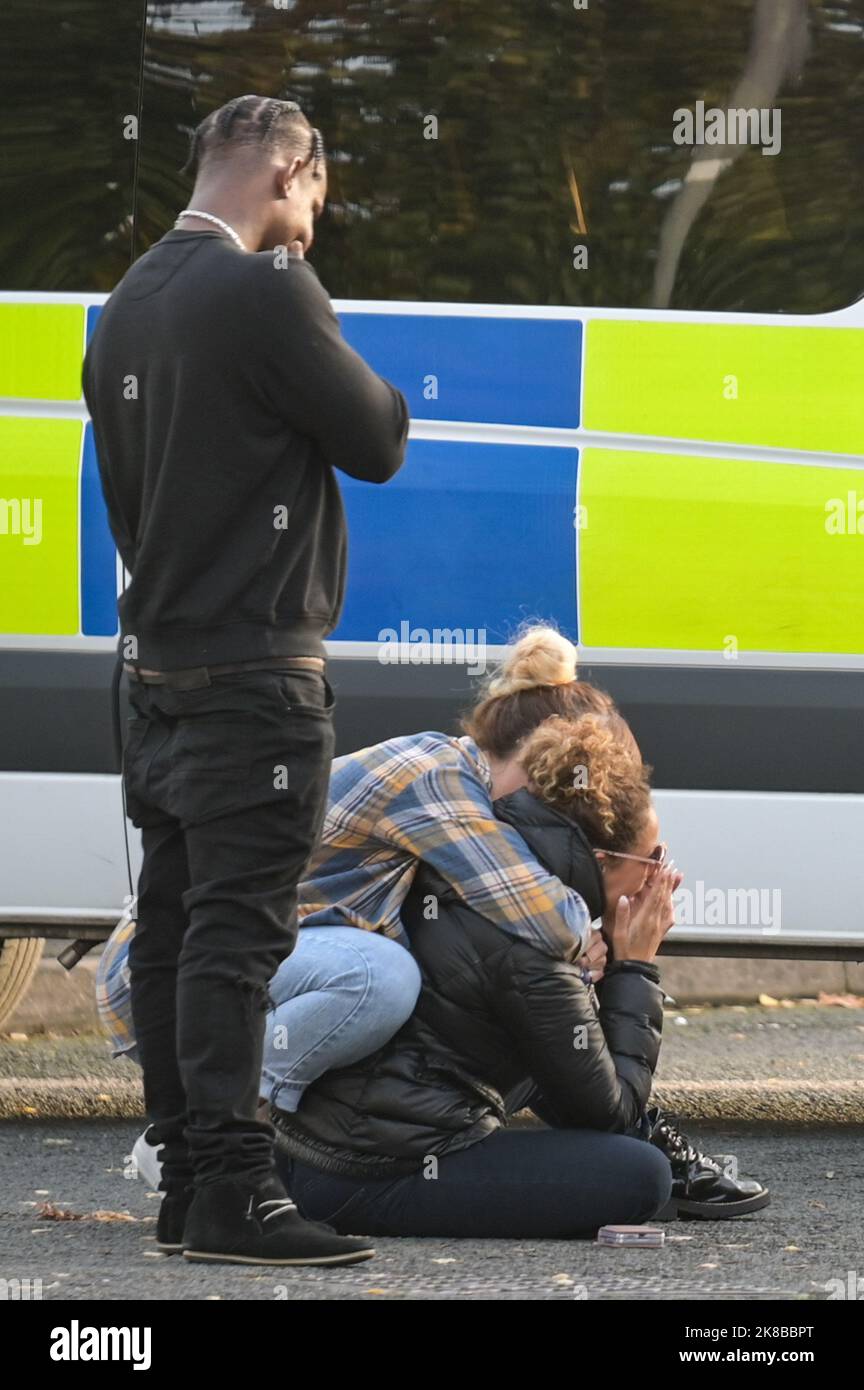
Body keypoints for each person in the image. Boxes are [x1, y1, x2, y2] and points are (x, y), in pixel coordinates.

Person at [82, 92, 409, 1267]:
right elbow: (377, 437)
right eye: (317, 195)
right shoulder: (268, 290)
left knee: (175, 928)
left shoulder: (125, 306)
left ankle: (189, 1183)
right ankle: (233, 1191)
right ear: (289, 170)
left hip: (159, 676)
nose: (315, 223)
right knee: (235, 935)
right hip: (257, 679)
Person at [269, 709, 770, 1237]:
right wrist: (636, 965)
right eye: (653, 859)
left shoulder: (497, 878)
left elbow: (565, 1075)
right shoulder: (538, 934)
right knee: (639, 1176)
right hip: (369, 1176)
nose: (663, 878)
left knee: (620, 1148)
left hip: (318, 1151)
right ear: (600, 858)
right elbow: (609, 1112)